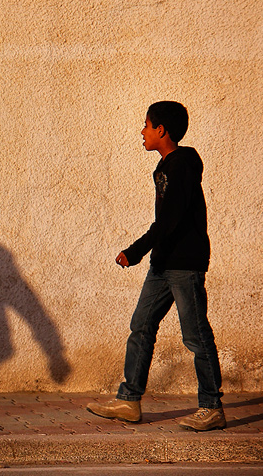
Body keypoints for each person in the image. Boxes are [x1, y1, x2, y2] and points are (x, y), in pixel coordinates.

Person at [87, 101, 225, 431]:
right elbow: (164, 222)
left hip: (184, 264)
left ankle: (212, 407)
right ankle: (129, 401)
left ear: (161, 130)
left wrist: (134, 251)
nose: (142, 132)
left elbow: (170, 221)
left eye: (146, 126)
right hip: (163, 263)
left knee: (195, 336)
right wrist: (144, 255)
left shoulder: (182, 167)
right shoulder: (164, 168)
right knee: (141, 327)